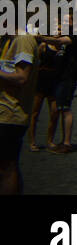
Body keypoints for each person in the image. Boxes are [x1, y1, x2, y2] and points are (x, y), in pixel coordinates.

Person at [0, 28, 40, 194]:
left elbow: (22, 77)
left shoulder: (23, 40)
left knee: (6, 167)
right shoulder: (9, 39)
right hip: (4, 112)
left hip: (11, 113)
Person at [45, 18, 77, 154]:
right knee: (60, 109)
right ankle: (62, 141)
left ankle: (67, 143)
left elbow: (58, 42)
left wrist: (39, 37)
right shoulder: (66, 35)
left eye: (69, 21)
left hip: (68, 77)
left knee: (65, 109)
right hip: (60, 77)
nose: (65, 23)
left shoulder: (76, 35)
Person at [26, 36, 61, 151]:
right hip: (41, 80)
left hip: (55, 81)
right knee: (35, 113)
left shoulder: (63, 47)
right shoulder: (44, 46)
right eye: (57, 29)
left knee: (54, 113)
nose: (59, 32)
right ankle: (32, 141)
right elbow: (35, 62)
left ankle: (50, 140)